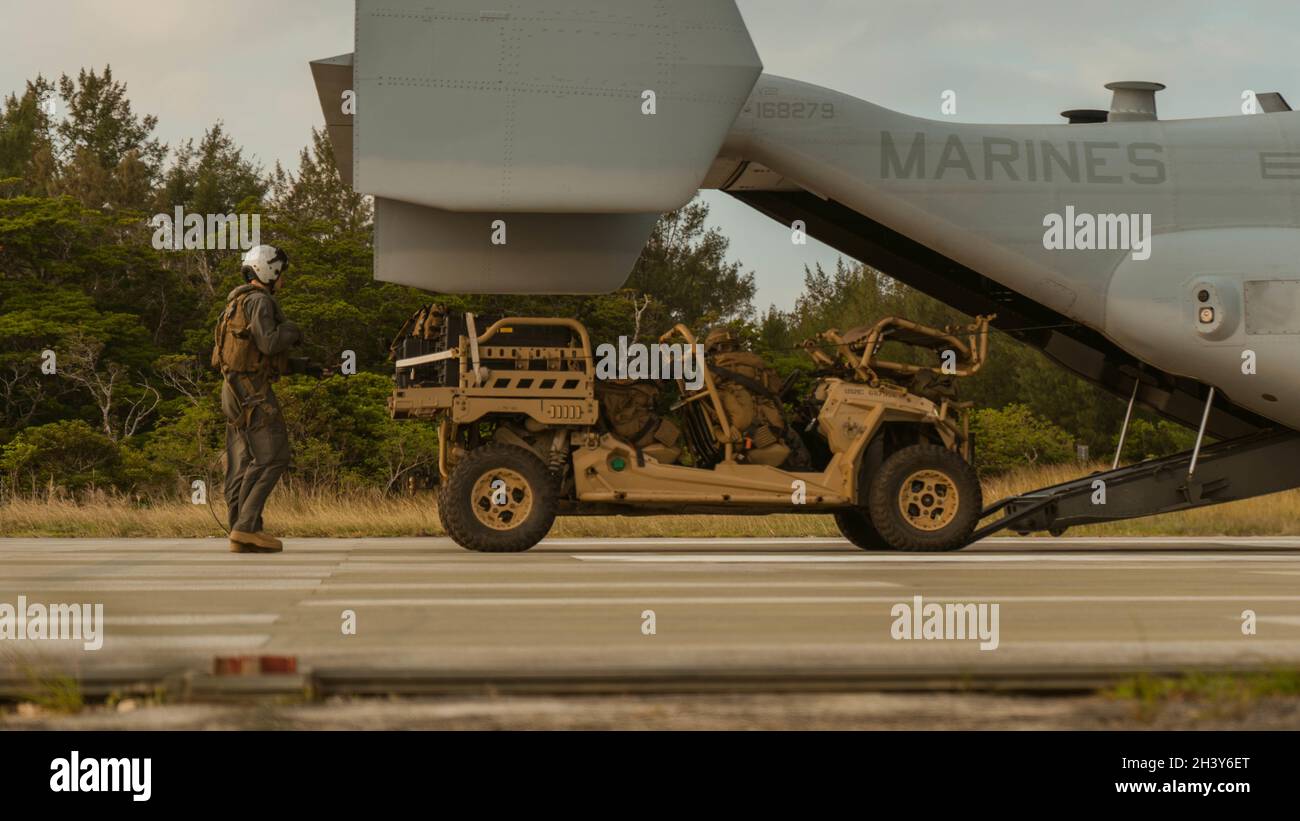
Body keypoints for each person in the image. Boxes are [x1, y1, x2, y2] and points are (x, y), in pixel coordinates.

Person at [211, 245, 301, 553]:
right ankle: (246, 528)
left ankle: (242, 529)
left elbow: (252, 353)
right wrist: (292, 330)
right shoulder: (261, 301)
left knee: (242, 463)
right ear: (269, 272)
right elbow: (270, 342)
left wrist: (310, 368)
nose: (283, 281)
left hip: (231, 390)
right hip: (252, 393)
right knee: (273, 457)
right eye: (281, 274)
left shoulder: (234, 304)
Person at [703, 328, 811, 470]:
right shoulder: (757, 363)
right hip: (766, 430)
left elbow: (701, 399)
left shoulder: (710, 370)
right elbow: (776, 388)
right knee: (795, 441)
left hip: (736, 432)